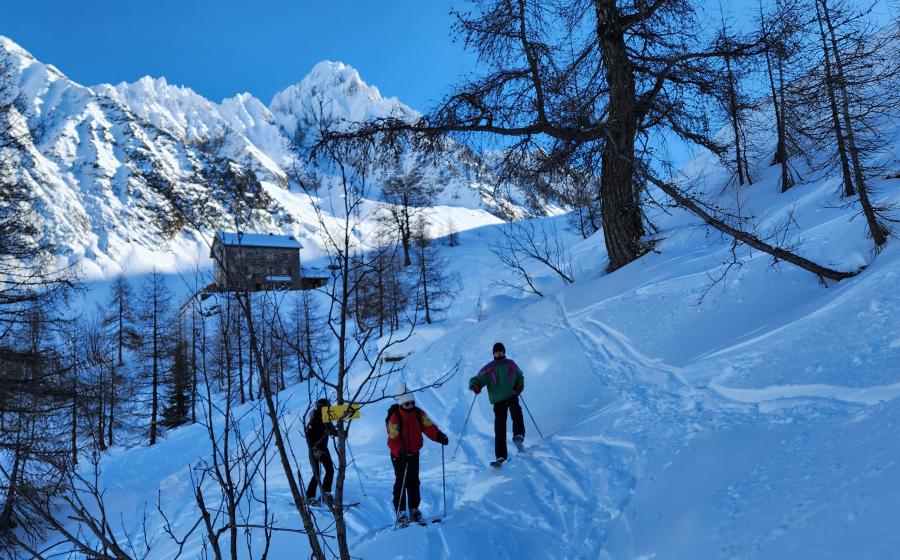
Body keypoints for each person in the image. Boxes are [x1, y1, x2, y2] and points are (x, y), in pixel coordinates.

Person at [386, 384, 449, 525]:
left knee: (414, 481)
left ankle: (414, 509)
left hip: (414, 453)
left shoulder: (418, 413)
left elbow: (428, 426)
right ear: (402, 403)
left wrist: (439, 436)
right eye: (407, 403)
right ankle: (401, 512)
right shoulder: (395, 418)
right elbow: (392, 439)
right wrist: (400, 452)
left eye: (412, 402)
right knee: (401, 482)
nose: (410, 405)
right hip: (399, 455)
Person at [469, 342, 525, 465]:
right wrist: (475, 385)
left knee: (516, 412)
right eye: (496, 351)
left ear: (504, 352)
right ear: (493, 353)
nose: (499, 353)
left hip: (511, 394)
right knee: (499, 427)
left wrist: (520, 386)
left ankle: (518, 435)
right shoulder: (489, 368)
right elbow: (477, 379)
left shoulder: (511, 364)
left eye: (501, 351)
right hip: (498, 400)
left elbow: (520, 376)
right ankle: (501, 456)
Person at [305, 397, 336, 506]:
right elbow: (308, 436)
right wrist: (314, 450)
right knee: (317, 473)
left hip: (324, 448)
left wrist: (341, 433)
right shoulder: (314, 420)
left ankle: (326, 494)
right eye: (325, 407)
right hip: (315, 449)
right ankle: (309, 497)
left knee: (330, 470)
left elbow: (332, 431)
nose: (327, 408)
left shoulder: (326, 418)